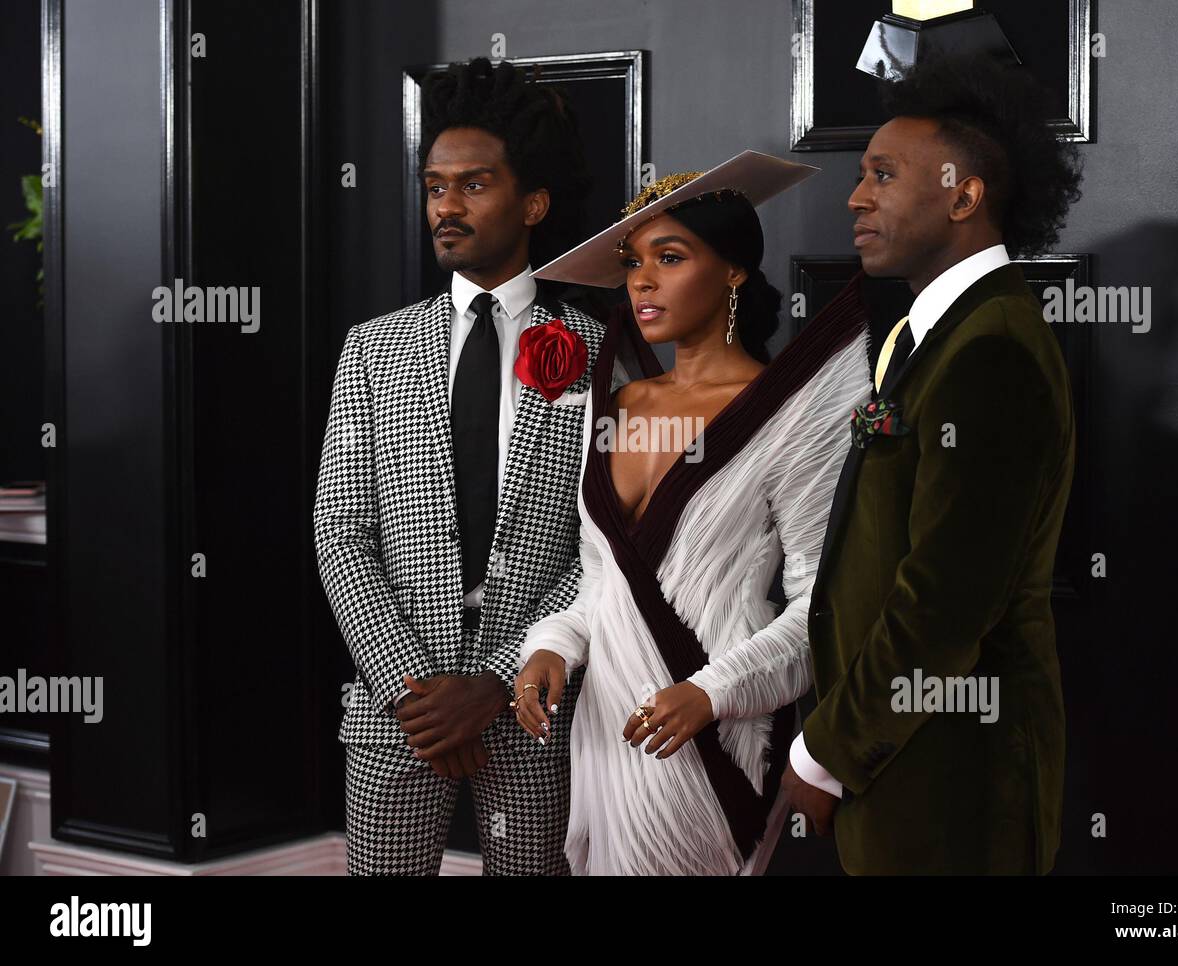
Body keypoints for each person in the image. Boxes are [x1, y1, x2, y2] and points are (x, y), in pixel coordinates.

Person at [513, 151, 874, 875]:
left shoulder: (789, 414)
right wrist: (549, 647)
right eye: (633, 261)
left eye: (669, 257)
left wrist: (708, 694)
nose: (641, 280)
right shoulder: (610, 405)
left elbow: (820, 609)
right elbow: (602, 586)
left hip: (712, 730)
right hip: (605, 723)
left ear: (734, 269)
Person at [782, 53, 1084, 874]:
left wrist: (828, 751)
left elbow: (947, 604)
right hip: (907, 763)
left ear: (964, 194)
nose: (855, 196)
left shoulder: (992, 351)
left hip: (954, 779)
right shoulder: (943, 333)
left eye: (882, 174)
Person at [314, 57, 605, 875]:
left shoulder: (595, 353)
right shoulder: (372, 349)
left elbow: (606, 542)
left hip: (533, 701)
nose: (447, 204)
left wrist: (491, 682)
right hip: (397, 710)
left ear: (533, 203)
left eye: (473, 185)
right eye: (436, 185)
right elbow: (340, 531)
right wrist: (415, 691)